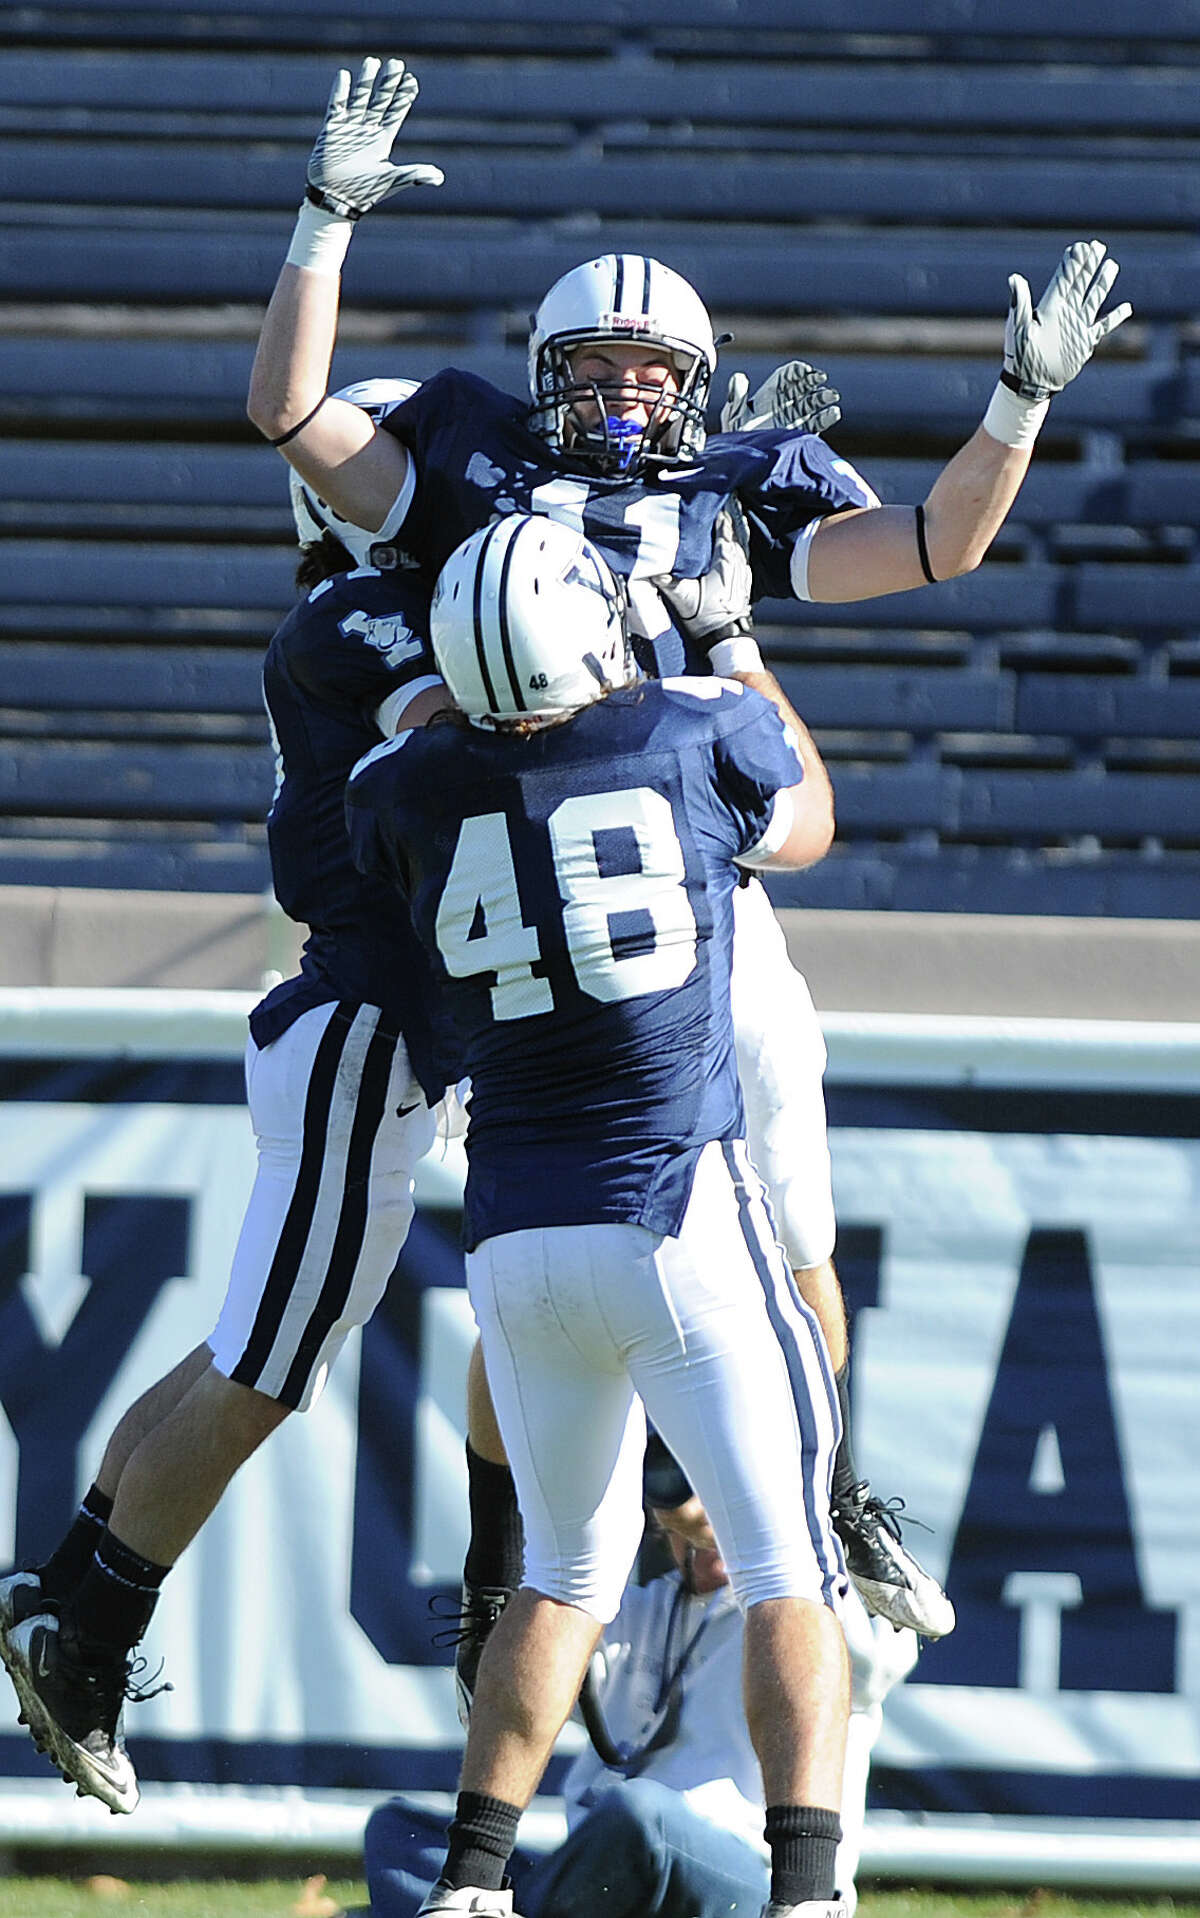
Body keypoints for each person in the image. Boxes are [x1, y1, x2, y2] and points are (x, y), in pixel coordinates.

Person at [249, 57, 1055, 1651]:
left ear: (696, 387)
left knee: (794, 1223)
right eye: (595, 369)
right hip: (549, 905)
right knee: (537, 1236)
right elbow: (289, 410)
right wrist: (322, 225)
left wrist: (1014, 410)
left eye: (649, 374)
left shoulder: (731, 501)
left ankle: (830, 1497)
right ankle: (505, 1565)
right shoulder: (467, 466)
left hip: (710, 896)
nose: (622, 400)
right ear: (544, 374)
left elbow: (939, 544)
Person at [345, 510, 855, 1918]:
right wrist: (735, 635)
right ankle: (810, 1891)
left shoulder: (401, 788)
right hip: (670, 1201)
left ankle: (469, 1883)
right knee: (785, 1561)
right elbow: (807, 816)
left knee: (559, 1577)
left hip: (511, 1235)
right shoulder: (693, 729)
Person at [0, 424, 455, 1815]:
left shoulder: (359, 604)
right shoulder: (361, 618)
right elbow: (487, 727)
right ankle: (94, 1642)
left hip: (354, 1035)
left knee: (240, 1352)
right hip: (363, 1032)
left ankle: (63, 1590)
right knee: (261, 1376)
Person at [364, 1480, 918, 1918]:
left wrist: (768, 1530)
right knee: (399, 1831)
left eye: (726, 1498)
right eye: (693, 1502)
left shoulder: (809, 1607)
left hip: (753, 1876)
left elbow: (886, 1645)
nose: (709, 1526)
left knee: (639, 1817)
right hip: (605, 1870)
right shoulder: (643, 1607)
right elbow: (530, 1678)